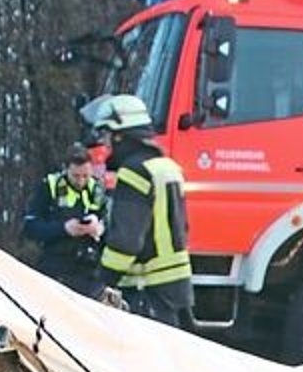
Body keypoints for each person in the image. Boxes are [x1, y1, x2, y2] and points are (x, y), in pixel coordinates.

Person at [84, 93, 193, 328]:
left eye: (109, 136)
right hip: (175, 289)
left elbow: (127, 241)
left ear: (122, 135)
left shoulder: (134, 172)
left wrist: (102, 280)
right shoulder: (167, 167)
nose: (107, 145)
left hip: (145, 290)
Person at [22, 143, 106, 294]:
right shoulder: (50, 186)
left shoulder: (98, 189)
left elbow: (116, 229)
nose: (81, 181)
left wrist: (98, 229)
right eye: (76, 176)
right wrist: (64, 229)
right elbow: (30, 227)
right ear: (66, 169)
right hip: (55, 267)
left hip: (89, 269)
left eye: (85, 176)